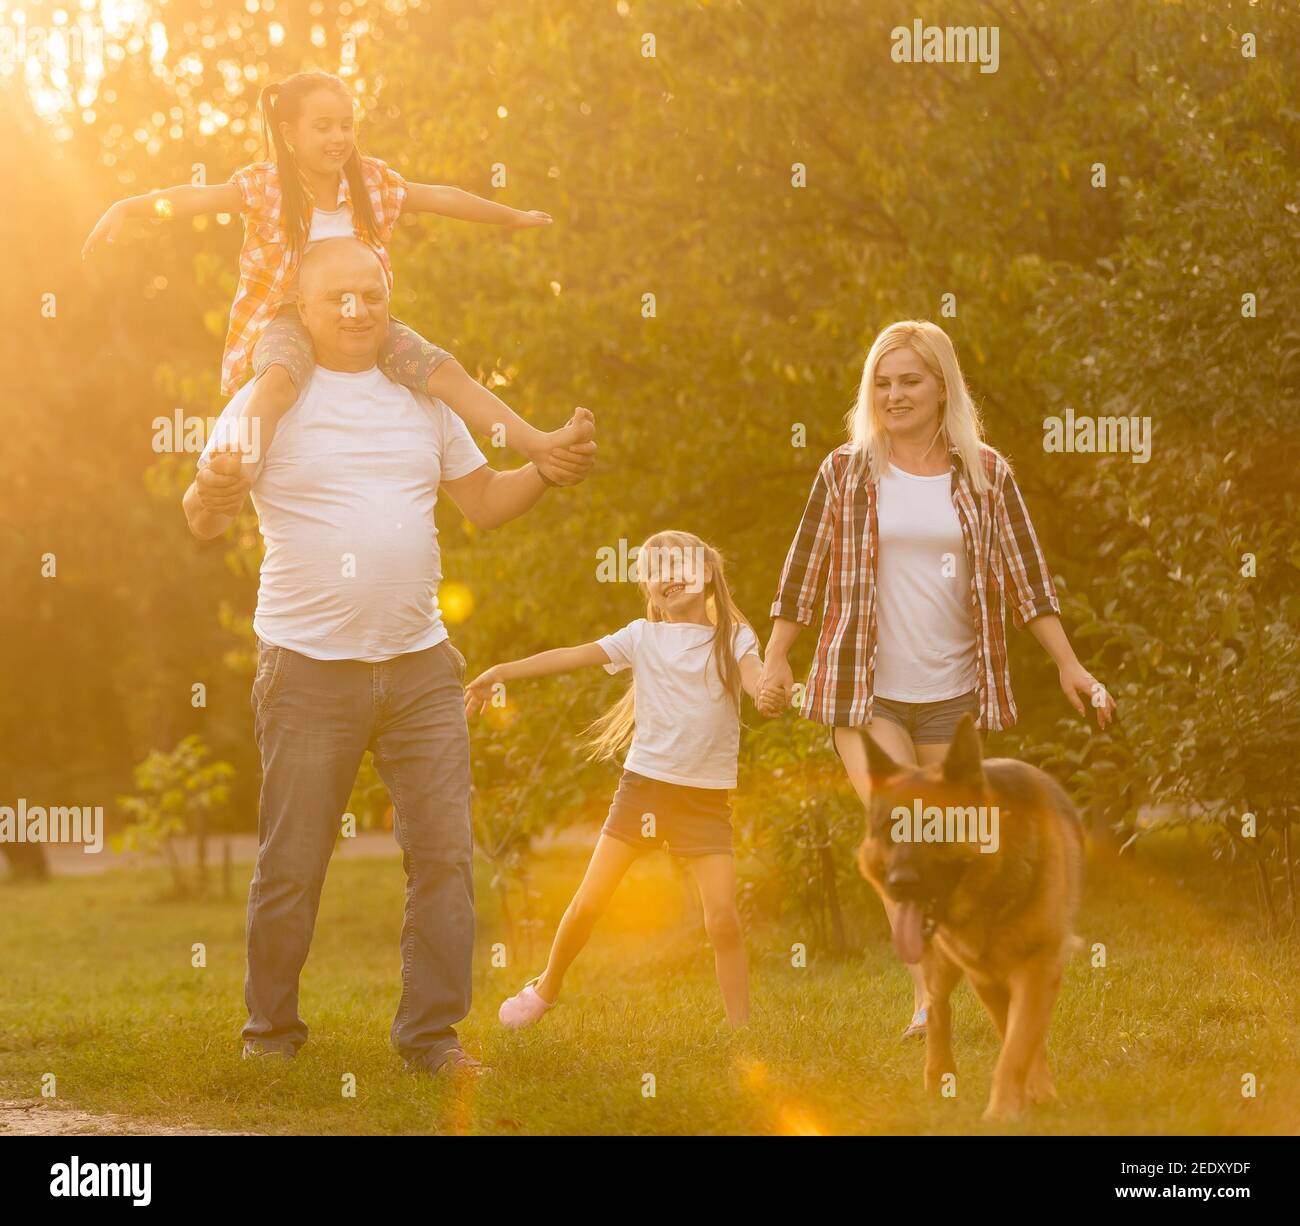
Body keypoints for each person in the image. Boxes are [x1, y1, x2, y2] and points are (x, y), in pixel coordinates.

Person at [182, 235, 596, 1075]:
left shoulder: (423, 397)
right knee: (292, 862)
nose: (356, 310)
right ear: (302, 307)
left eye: (371, 294)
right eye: (337, 297)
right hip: (306, 668)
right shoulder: (269, 398)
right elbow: (204, 514)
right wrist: (210, 489)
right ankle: (270, 1034)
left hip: (420, 666)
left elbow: (482, 502)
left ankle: (431, 1036)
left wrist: (546, 471)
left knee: (443, 853)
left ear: (389, 295)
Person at [758, 319, 1113, 1038]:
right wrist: (775, 656)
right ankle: (926, 995)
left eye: (909, 381)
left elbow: (1028, 580)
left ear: (941, 385)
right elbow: (803, 570)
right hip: (865, 689)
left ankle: (961, 973)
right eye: (882, 383)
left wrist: (1071, 666)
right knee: (898, 826)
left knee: (947, 837)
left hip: (954, 694)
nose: (894, 395)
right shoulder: (847, 470)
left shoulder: (985, 471)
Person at [85, 70, 590, 483]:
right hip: (286, 317)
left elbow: (441, 198)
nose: (338, 138)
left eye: (346, 126)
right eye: (323, 127)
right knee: (279, 379)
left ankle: (538, 443)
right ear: (289, 133)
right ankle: (237, 465)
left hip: (358, 317)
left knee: (445, 372)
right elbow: (196, 197)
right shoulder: (266, 187)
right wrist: (130, 206)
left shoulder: (369, 181)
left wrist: (512, 217)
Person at [466, 531, 764, 1031]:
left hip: (705, 801)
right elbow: (567, 656)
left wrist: (776, 690)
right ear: (648, 590)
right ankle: (545, 989)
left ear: (708, 572)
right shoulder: (640, 638)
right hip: (644, 789)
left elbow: (759, 682)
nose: (668, 575)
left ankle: (740, 1030)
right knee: (589, 902)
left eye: (679, 564)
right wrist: (500, 670)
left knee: (723, 920)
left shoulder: (735, 639)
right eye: (655, 570)